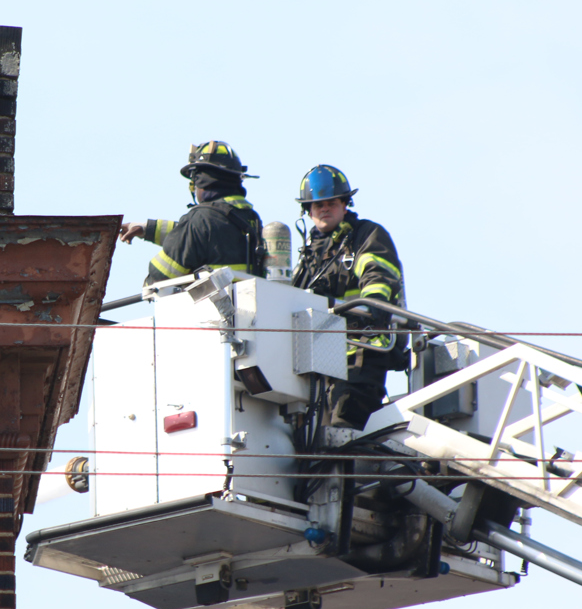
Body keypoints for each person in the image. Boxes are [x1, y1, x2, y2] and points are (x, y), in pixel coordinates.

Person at [291, 164, 404, 430]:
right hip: (320, 366)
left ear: (345, 204)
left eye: (331, 202)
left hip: (363, 356)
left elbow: (378, 278)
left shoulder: (366, 236)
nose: (324, 209)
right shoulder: (308, 255)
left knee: (342, 430)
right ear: (308, 211)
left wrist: (370, 310)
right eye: (317, 205)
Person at [120, 141, 265, 284]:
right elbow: (199, 236)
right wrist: (147, 229)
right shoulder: (250, 218)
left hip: (213, 305)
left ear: (200, 181)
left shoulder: (201, 219)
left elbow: (160, 276)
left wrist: (149, 284)